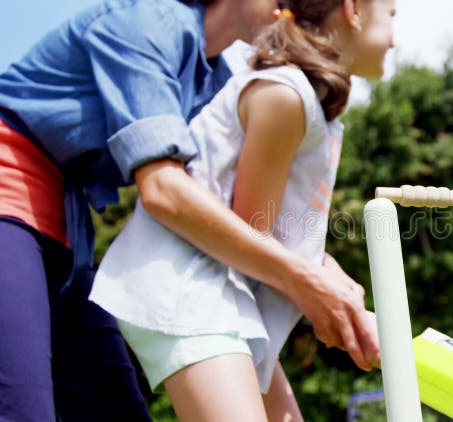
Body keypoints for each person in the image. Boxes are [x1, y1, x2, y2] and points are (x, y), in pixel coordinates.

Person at [0, 0, 378, 420]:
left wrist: (329, 278)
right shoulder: (145, 24)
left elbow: (221, 213)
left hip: (66, 235)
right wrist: (302, 278)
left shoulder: (215, 83)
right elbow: (164, 191)